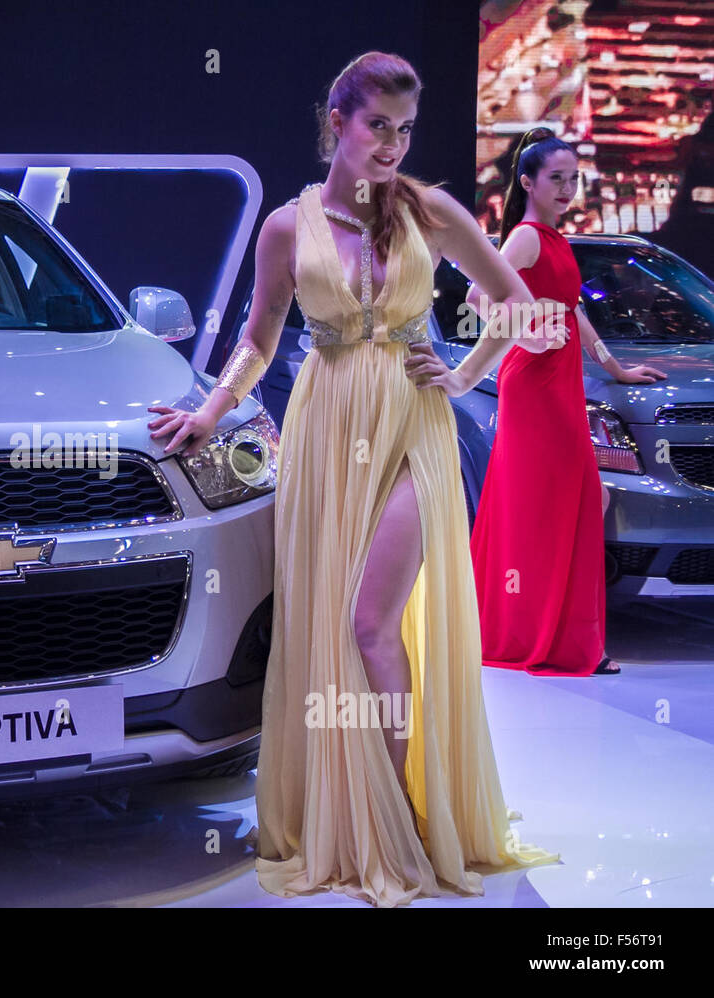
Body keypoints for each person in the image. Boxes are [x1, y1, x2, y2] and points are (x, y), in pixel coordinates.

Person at [148, 51, 560, 906]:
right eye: (379, 126)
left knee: (372, 624)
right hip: (327, 427)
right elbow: (258, 340)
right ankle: (349, 809)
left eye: (405, 131)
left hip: (412, 426)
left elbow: (518, 304)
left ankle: (406, 810)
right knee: (333, 629)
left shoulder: (432, 211)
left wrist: (464, 375)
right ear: (337, 122)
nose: (392, 147)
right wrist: (211, 412)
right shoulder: (286, 228)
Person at [465, 128, 666, 678]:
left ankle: (562, 636)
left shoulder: (556, 241)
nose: (568, 188)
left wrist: (615, 367)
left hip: (562, 380)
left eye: (573, 179)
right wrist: (525, 332)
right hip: (532, 382)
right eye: (557, 178)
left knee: (575, 498)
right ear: (527, 182)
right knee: (546, 501)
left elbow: (573, 312)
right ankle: (544, 636)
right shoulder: (526, 237)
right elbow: (477, 296)